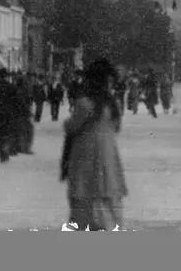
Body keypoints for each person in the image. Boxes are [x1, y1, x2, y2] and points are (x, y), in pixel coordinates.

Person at [61, 58, 127, 232]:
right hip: (108, 158)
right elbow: (117, 127)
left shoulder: (85, 103)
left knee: (84, 204)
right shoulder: (112, 104)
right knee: (109, 203)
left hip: (85, 159)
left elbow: (71, 126)